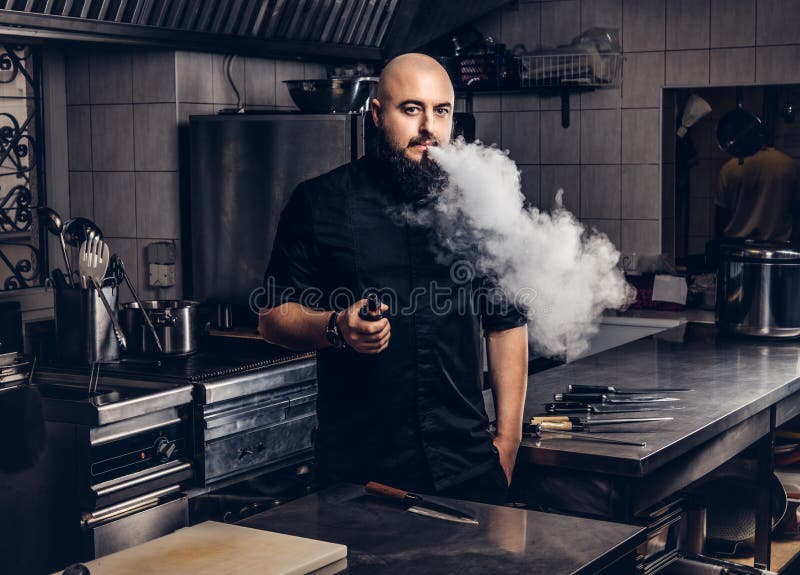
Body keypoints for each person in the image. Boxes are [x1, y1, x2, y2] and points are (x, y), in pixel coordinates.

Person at [258, 53, 528, 505]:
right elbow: (272, 318)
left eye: (441, 111)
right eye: (411, 109)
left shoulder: (480, 206)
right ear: (377, 113)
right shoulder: (318, 202)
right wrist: (335, 327)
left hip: (467, 466)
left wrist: (508, 442)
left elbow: (506, 323)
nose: (429, 126)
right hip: (358, 476)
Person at [715, 144, 800, 244]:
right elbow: (796, 211)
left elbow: (721, 216)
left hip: (736, 246)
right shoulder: (790, 166)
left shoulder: (729, 168)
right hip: (777, 247)